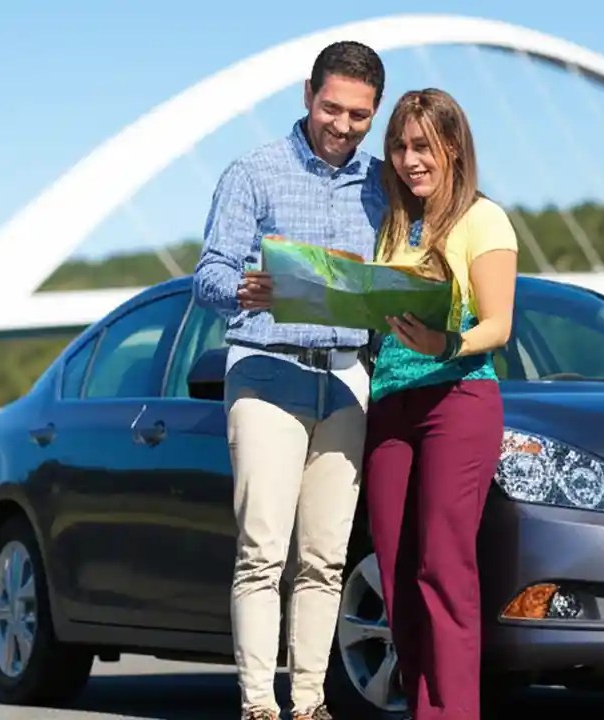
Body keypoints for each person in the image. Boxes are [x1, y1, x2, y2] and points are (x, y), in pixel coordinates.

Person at [191, 40, 387, 720]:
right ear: (308, 95)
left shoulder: (382, 186)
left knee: (325, 557)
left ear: (374, 113)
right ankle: (257, 705)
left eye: (359, 115)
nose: (342, 124)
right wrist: (249, 290)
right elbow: (208, 275)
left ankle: (309, 704)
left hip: (346, 380)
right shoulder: (254, 173)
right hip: (267, 370)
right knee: (262, 551)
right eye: (332, 107)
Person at [362, 88, 519, 720]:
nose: (408, 159)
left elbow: (500, 324)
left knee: (441, 568)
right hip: (391, 406)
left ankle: (451, 713)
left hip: (458, 400)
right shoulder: (395, 225)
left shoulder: (485, 220)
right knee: (397, 576)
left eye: (422, 146)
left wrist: (444, 340)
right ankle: (423, 706)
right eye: (399, 147)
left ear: (452, 146)